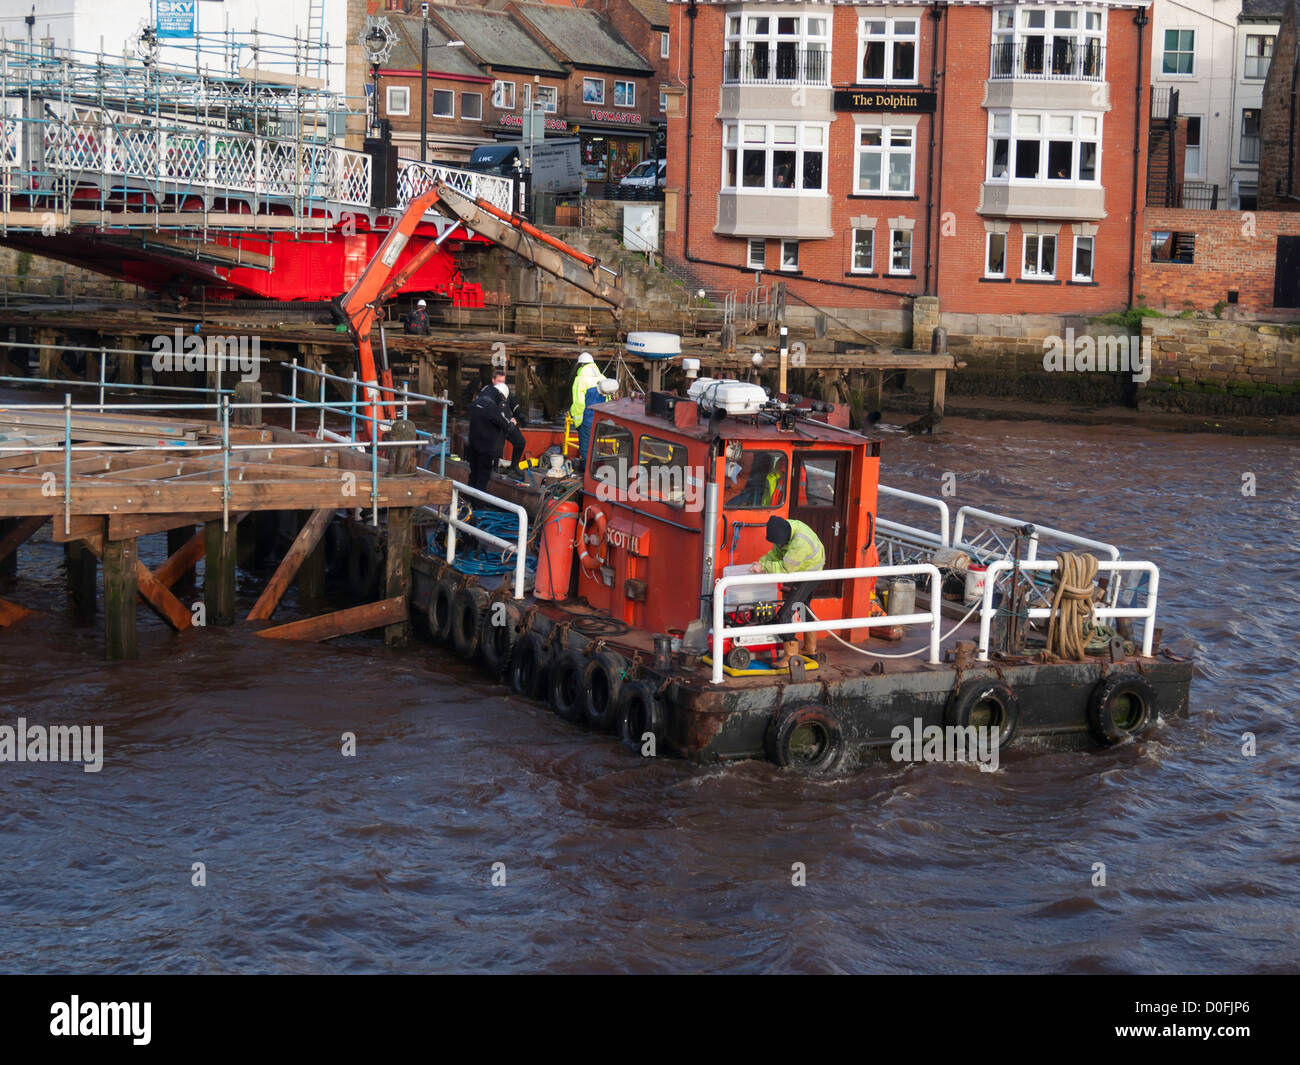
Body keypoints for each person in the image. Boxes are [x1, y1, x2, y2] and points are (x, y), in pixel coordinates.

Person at [750, 515, 826, 666]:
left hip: (810, 573)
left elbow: (785, 569)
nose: (777, 544)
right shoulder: (782, 532)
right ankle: (811, 649)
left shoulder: (800, 542)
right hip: (802, 570)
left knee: (786, 613)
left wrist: (764, 567)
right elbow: (775, 555)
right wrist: (761, 562)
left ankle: (791, 656)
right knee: (803, 608)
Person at [466, 378, 525, 492]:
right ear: (501, 395)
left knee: (473, 474)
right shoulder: (492, 408)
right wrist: (512, 423)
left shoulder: (476, 403)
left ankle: (470, 500)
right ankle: (479, 504)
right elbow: (505, 425)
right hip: (485, 448)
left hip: (473, 444)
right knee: (483, 477)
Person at [569, 351, 606, 454]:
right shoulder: (603, 378)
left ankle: (588, 469)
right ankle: (594, 468)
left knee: (586, 451)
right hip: (600, 421)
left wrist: (577, 422)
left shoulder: (580, 380)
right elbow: (608, 401)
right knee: (594, 448)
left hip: (587, 421)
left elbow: (579, 404)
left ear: (581, 365)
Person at [579, 377, 619, 466]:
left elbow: (580, 406)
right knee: (591, 449)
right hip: (597, 424)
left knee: (586, 450)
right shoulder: (602, 396)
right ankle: (593, 467)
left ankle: (591, 469)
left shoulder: (590, 390)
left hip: (588, 424)